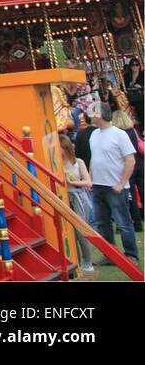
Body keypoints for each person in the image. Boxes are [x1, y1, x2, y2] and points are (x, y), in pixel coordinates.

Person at [87, 102, 139, 265]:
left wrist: (121, 183)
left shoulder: (119, 134)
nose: (89, 115)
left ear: (100, 115)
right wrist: (90, 178)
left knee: (123, 223)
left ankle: (131, 255)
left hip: (115, 187)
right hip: (98, 186)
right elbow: (94, 159)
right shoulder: (94, 134)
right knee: (103, 223)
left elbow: (130, 160)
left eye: (92, 112)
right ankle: (110, 255)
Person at [59, 133, 96, 275]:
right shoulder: (57, 162)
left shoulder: (78, 162)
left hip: (79, 197)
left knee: (81, 232)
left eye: (61, 147)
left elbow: (88, 182)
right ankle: (77, 262)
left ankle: (87, 263)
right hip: (65, 197)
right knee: (71, 233)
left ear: (66, 147)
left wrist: (73, 183)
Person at [110, 109, 144, 231]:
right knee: (142, 191)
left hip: (126, 167)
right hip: (139, 164)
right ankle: (140, 222)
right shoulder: (133, 131)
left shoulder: (117, 134)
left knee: (131, 196)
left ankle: (136, 222)